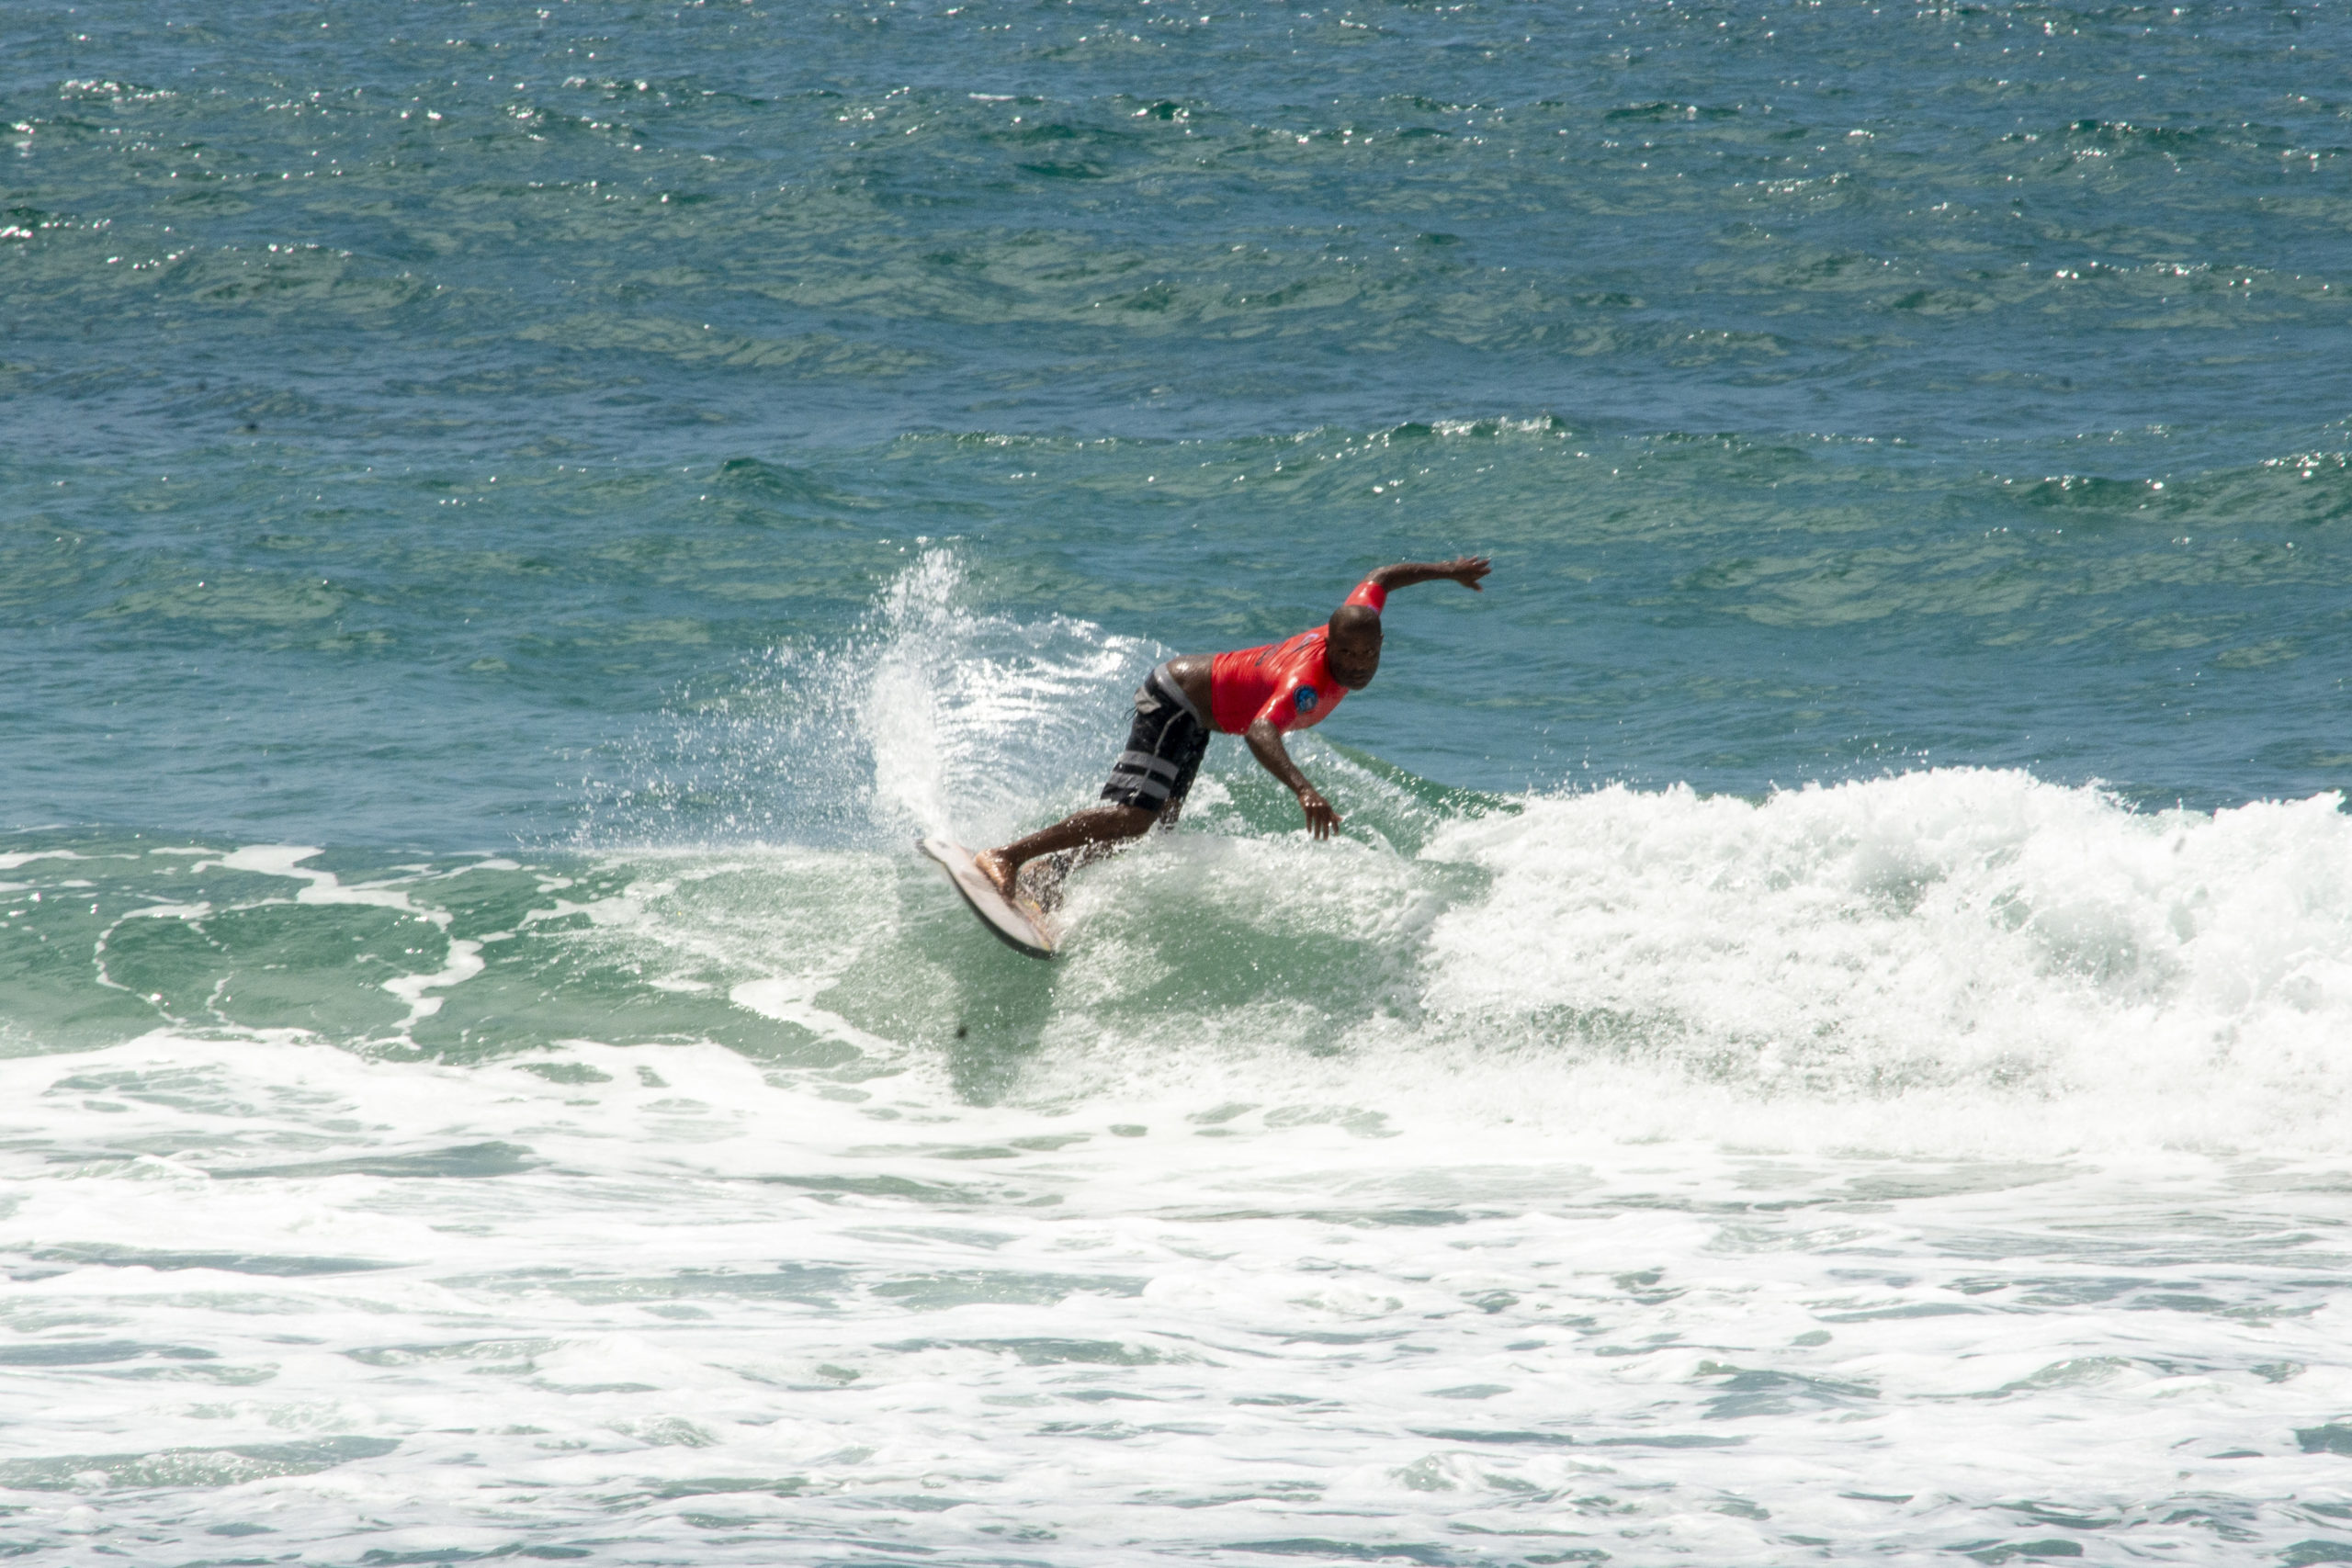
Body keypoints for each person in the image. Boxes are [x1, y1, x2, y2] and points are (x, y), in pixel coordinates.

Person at [974, 557, 1492, 899]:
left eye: (1368, 654)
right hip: (1176, 697)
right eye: (1347, 654)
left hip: (1204, 711)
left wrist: (1449, 571)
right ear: (1330, 645)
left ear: (1380, 644)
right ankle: (1007, 856)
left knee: (1157, 822)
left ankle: (1051, 876)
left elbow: (1381, 577)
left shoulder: (1359, 617)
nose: (1357, 665)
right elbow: (1261, 732)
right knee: (1133, 817)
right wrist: (1304, 790)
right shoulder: (1305, 683)